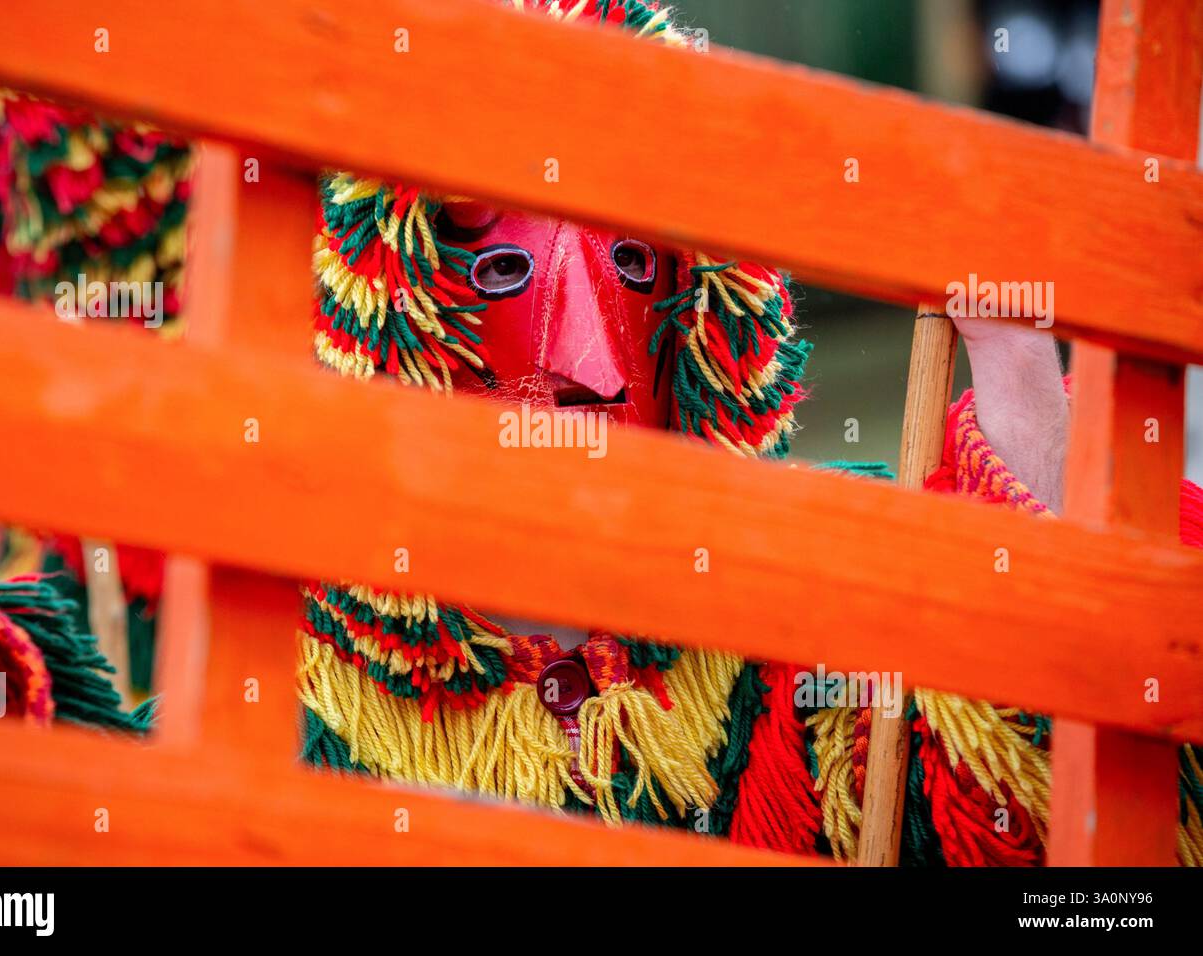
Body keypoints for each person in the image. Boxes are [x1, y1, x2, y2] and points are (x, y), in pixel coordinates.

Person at [298, 0, 1203, 866]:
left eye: (633, 263)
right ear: (392, 309)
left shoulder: (817, 649)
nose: (595, 370)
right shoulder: (287, 707)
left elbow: (1044, 824)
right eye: (500, 268)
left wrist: (1012, 363)